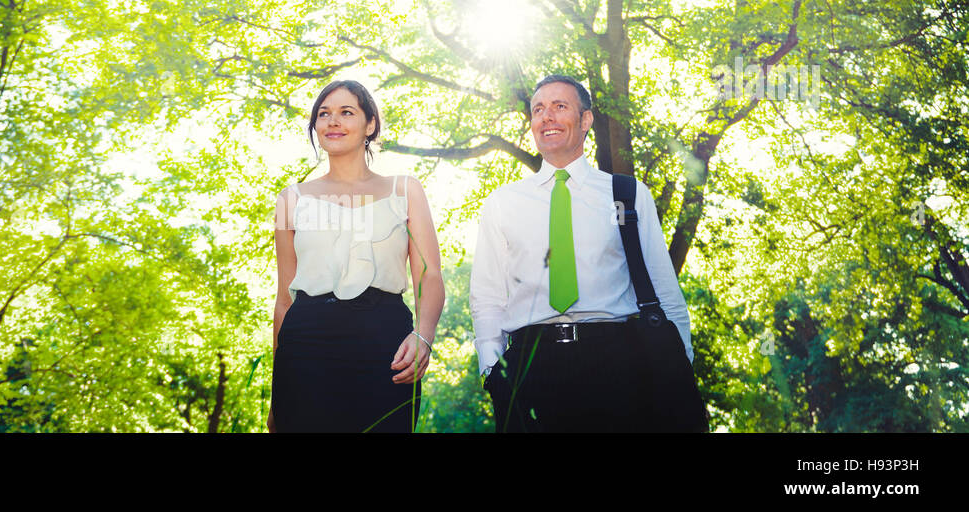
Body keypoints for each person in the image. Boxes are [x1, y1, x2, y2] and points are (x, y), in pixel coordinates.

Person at [469, 75, 695, 432]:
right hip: (530, 364)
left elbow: (664, 288)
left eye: (560, 107)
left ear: (586, 120)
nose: (547, 117)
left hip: (617, 361)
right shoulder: (503, 203)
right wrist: (492, 371)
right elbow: (487, 295)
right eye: (538, 110)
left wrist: (679, 366)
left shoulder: (626, 194)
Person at [269, 80, 445, 433]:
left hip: (384, 342)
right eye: (324, 114)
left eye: (346, 112)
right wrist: (277, 392)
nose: (333, 121)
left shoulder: (405, 190)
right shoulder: (291, 199)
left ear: (370, 125)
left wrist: (423, 336)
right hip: (305, 346)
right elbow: (284, 300)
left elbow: (430, 276)